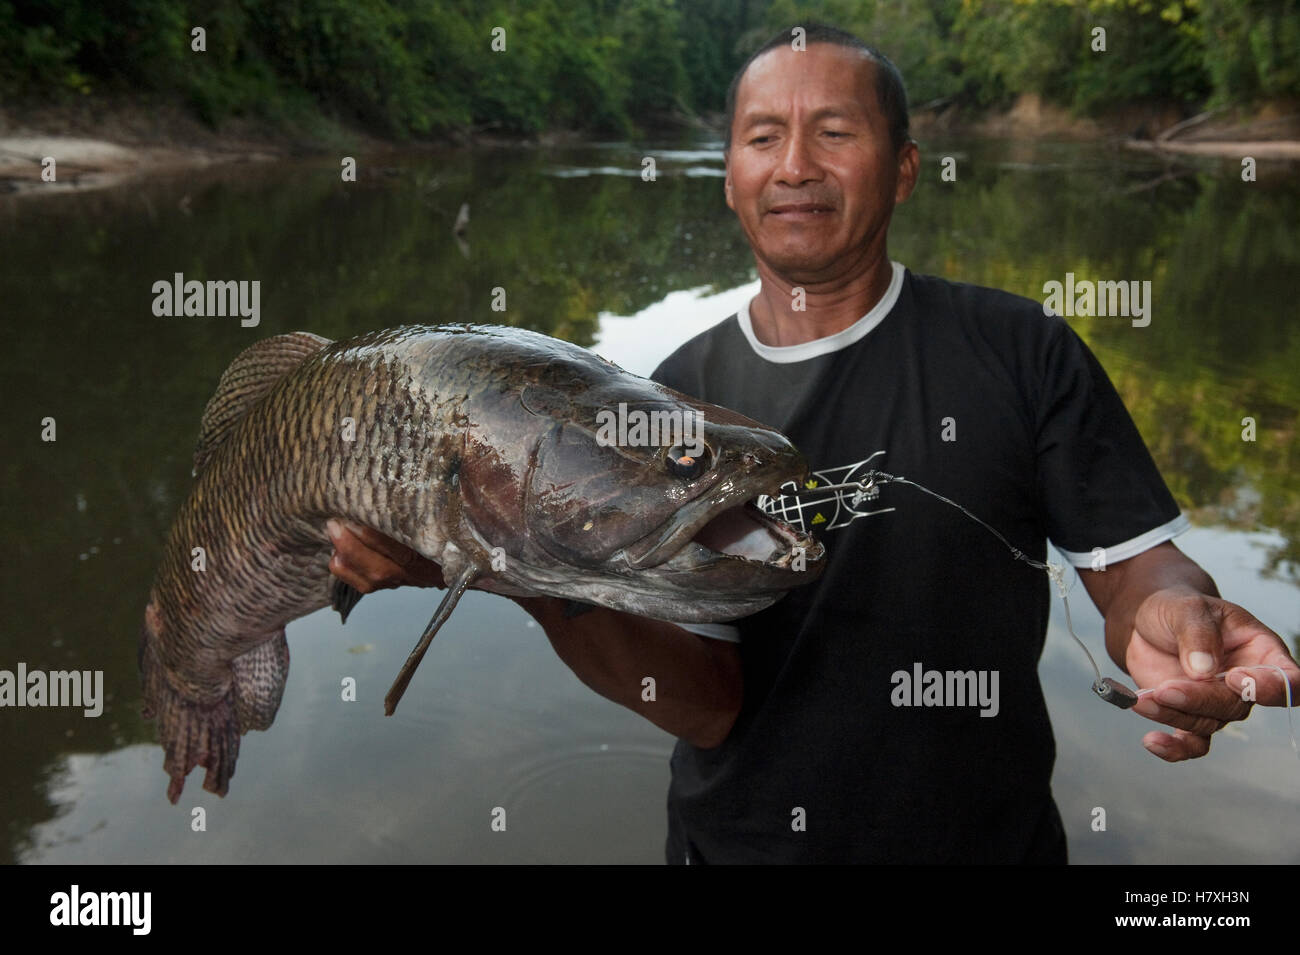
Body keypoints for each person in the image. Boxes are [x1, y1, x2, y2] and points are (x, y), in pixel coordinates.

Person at [326, 24, 1300, 863]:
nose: (794, 165)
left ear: (905, 168)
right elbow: (705, 704)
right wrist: (525, 573)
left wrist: (1180, 621)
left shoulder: (1020, 348)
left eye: (834, 132)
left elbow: (1133, 576)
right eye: (763, 137)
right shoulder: (658, 403)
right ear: (729, 179)